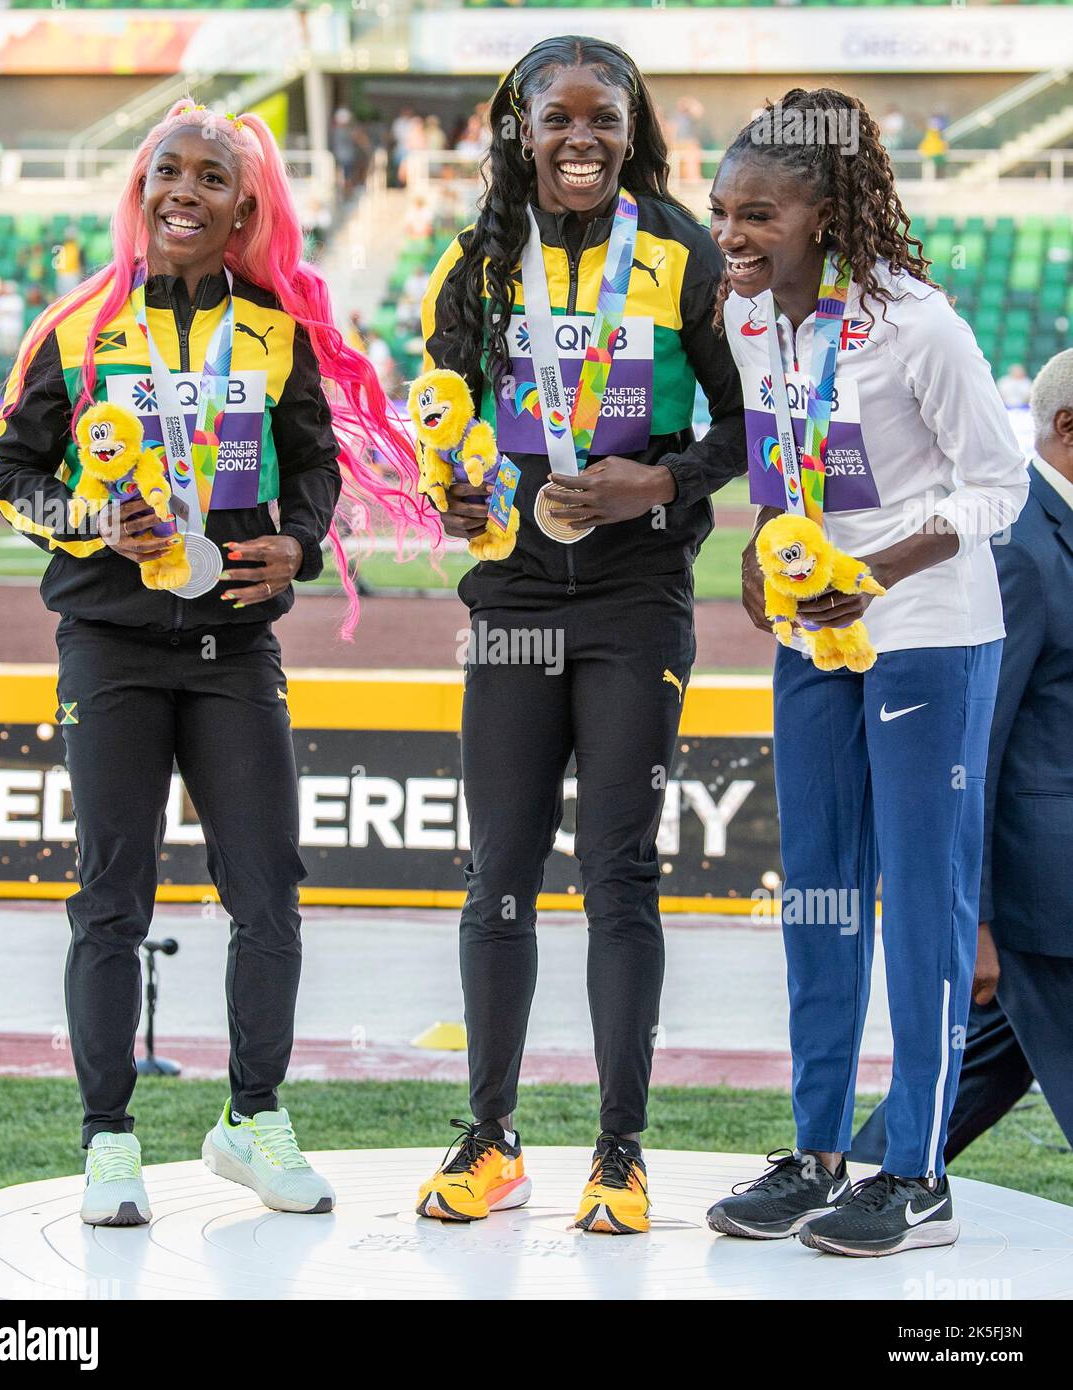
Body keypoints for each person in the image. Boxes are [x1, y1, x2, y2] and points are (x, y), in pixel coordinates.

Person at [0, 100, 432, 1229]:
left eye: (210, 177)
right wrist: (92, 520)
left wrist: (296, 544)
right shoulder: (78, 327)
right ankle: (108, 1141)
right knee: (110, 899)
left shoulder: (276, 328)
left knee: (269, 891)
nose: (183, 189)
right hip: (112, 647)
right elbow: (10, 475)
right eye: (165, 170)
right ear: (141, 190)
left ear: (244, 207)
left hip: (235, 649)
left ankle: (252, 1117)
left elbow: (315, 468)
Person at [414, 35, 746, 1235]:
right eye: (556, 118)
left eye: (603, 118)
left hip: (632, 599)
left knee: (618, 873)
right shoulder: (480, 262)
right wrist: (454, 493)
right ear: (521, 130)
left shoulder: (677, 251)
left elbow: (750, 421)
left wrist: (651, 489)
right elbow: (444, 428)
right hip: (510, 597)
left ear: (632, 126)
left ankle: (619, 1152)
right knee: (496, 870)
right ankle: (490, 1136)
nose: (581, 139)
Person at [703, 88, 1028, 1256]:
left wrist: (877, 570)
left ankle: (917, 1172)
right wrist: (760, 546)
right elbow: (780, 461)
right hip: (814, 639)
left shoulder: (915, 323)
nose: (731, 236)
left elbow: (999, 486)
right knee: (821, 895)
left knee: (919, 905)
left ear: (823, 214)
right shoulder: (748, 321)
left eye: (757, 216)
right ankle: (815, 1153)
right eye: (721, 211)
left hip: (926, 630)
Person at [850, 348, 1073, 1163]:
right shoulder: (1018, 549)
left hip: (1045, 900)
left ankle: (865, 1176)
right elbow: (976, 746)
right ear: (1066, 428)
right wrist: (974, 920)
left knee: (977, 1071)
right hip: (1036, 905)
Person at [0, 279, 25, 360]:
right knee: (3, 350)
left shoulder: (17, 299)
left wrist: (4, 312)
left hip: (14, 329)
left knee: (14, 351)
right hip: (2, 328)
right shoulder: (0, 299)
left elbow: (16, 311)